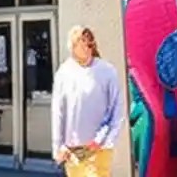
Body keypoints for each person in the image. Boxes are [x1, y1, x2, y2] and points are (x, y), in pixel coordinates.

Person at [51, 25, 124, 177]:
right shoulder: (64, 73)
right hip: (73, 150)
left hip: (98, 148)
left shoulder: (106, 71)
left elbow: (117, 109)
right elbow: (58, 112)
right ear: (72, 46)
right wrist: (58, 147)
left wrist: (105, 139)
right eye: (81, 43)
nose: (85, 47)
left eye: (88, 43)